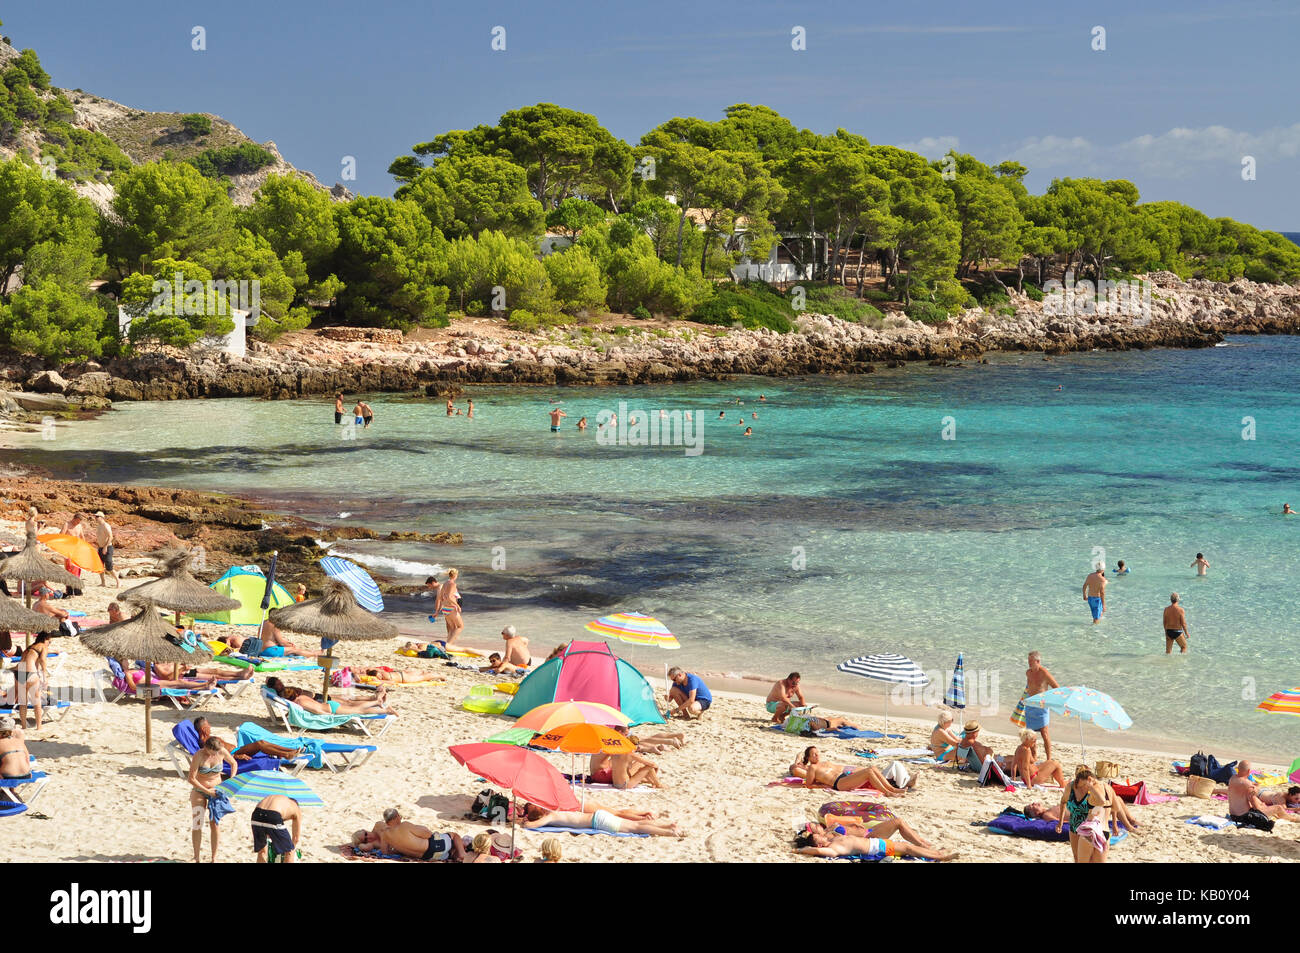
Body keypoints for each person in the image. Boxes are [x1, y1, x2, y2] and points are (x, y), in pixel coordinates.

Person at [794, 821, 957, 862]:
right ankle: (938, 857)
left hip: (875, 844)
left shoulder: (834, 839)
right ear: (820, 844)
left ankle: (936, 854)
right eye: (818, 838)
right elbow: (816, 851)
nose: (821, 836)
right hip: (875, 848)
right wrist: (799, 851)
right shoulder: (832, 849)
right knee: (907, 848)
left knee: (907, 847)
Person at [188, 737, 238, 863]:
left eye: (217, 752)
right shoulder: (198, 756)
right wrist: (206, 791)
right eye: (212, 752)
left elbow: (234, 763)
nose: (215, 754)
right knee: (197, 823)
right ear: (206, 748)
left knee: (214, 824)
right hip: (200, 790)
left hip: (216, 791)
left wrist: (231, 779)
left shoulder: (221, 751)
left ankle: (214, 858)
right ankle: (196, 857)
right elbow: (191, 779)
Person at [352, 808, 467, 861]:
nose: (369, 837)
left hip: (427, 857)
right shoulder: (405, 825)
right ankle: (463, 855)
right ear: (397, 817)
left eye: (366, 834)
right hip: (434, 846)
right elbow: (428, 835)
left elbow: (385, 852)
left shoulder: (385, 834)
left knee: (451, 851)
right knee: (454, 836)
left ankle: (457, 855)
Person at [790, 746, 911, 796]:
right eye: (813, 755)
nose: (817, 756)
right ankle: (888, 792)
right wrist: (822, 785)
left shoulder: (824, 763)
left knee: (873, 768)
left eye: (817, 753)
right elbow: (808, 784)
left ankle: (892, 788)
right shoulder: (812, 768)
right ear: (809, 758)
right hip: (839, 783)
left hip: (844, 777)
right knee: (869, 771)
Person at [520, 802, 684, 837]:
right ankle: (668, 824)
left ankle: (670, 832)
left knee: (636, 828)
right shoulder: (556, 810)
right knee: (637, 824)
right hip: (598, 816)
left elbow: (531, 825)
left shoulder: (551, 816)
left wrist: (524, 823)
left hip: (599, 822)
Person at [1056, 765, 1113, 863]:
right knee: (1077, 857)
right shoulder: (1070, 787)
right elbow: (1063, 802)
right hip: (1074, 825)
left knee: (1089, 859)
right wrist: (1060, 822)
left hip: (1088, 826)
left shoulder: (1093, 788)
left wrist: (1091, 787)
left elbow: (1105, 803)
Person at [1010, 651, 1059, 760]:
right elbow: (1029, 687)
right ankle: (1034, 756)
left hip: (1041, 706)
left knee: (1045, 733)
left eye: (1031, 661)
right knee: (1031, 735)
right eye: (1028, 661)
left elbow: (1056, 688)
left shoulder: (1045, 673)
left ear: (1038, 661)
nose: (1029, 663)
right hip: (1030, 706)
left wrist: (1049, 700)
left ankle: (1049, 758)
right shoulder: (1028, 673)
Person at [265, 677, 397, 715]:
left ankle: (375, 699)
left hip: (320, 698)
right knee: (350, 702)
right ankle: (376, 700)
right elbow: (315, 709)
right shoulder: (284, 693)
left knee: (350, 702)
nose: (280, 683)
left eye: (279, 681)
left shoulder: (286, 692)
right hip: (319, 700)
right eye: (277, 683)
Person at [192, 716, 301, 761]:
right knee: (260, 744)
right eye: (208, 726)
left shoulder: (208, 738)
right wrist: (237, 756)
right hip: (235, 753)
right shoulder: (205, 742)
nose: (210, 727)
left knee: (262, 742)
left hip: (236, 749)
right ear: (204, 729)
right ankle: (287, 754)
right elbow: (216, 756)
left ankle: (288, 751)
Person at [1227, 761, 1292, 828]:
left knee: (1261, 804)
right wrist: (1262, 807)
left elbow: (1249, 784)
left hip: (1233, 815)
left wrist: (1255, 787)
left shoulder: (1233, 778)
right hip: (1244, 817)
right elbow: (1256, 806)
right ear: (1249, 771)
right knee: (1278, 808)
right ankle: (1292, 819)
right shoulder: (1248, 785)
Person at [15, 634, 52, 731]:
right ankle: (39, 727)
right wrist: (44, 676)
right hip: (31, 674)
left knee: (23, 702)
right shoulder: (43, 646)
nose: (49, 644)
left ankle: (24, 726)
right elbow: (43, 660)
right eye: (50, 642)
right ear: (45, 639)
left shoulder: (29, 648)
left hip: (20, 674)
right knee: (37, 702)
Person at [252, 794, 302, 862]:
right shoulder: (296, 808)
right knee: (289, 851)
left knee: (262, 851)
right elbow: (296, 838)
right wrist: (291, 848)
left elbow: (267, 824)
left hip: (256, 815)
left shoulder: (281, 800)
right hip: (273, 815)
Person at [433, 568, 464, 645]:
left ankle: (447, 644)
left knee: (452, 628)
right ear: (455, 575)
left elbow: (440, 597)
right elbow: (450, 597)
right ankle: (448, 645)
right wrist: (457, 605)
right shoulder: (453, 584)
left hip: (445, 608)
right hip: (451, 608)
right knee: (460, 627)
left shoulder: (445, 583)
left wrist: (437, 611)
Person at [92, 511, 119, 588]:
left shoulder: (105, 525)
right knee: (100, 567)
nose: (95, 518)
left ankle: (118, 581)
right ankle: (103, 583)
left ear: (101, 517)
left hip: (107, 548)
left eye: (97, 517)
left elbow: (110, 537)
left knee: (109, 567)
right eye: (95, 517)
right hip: (100, 548)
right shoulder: (99, 526)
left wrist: (105, 547)